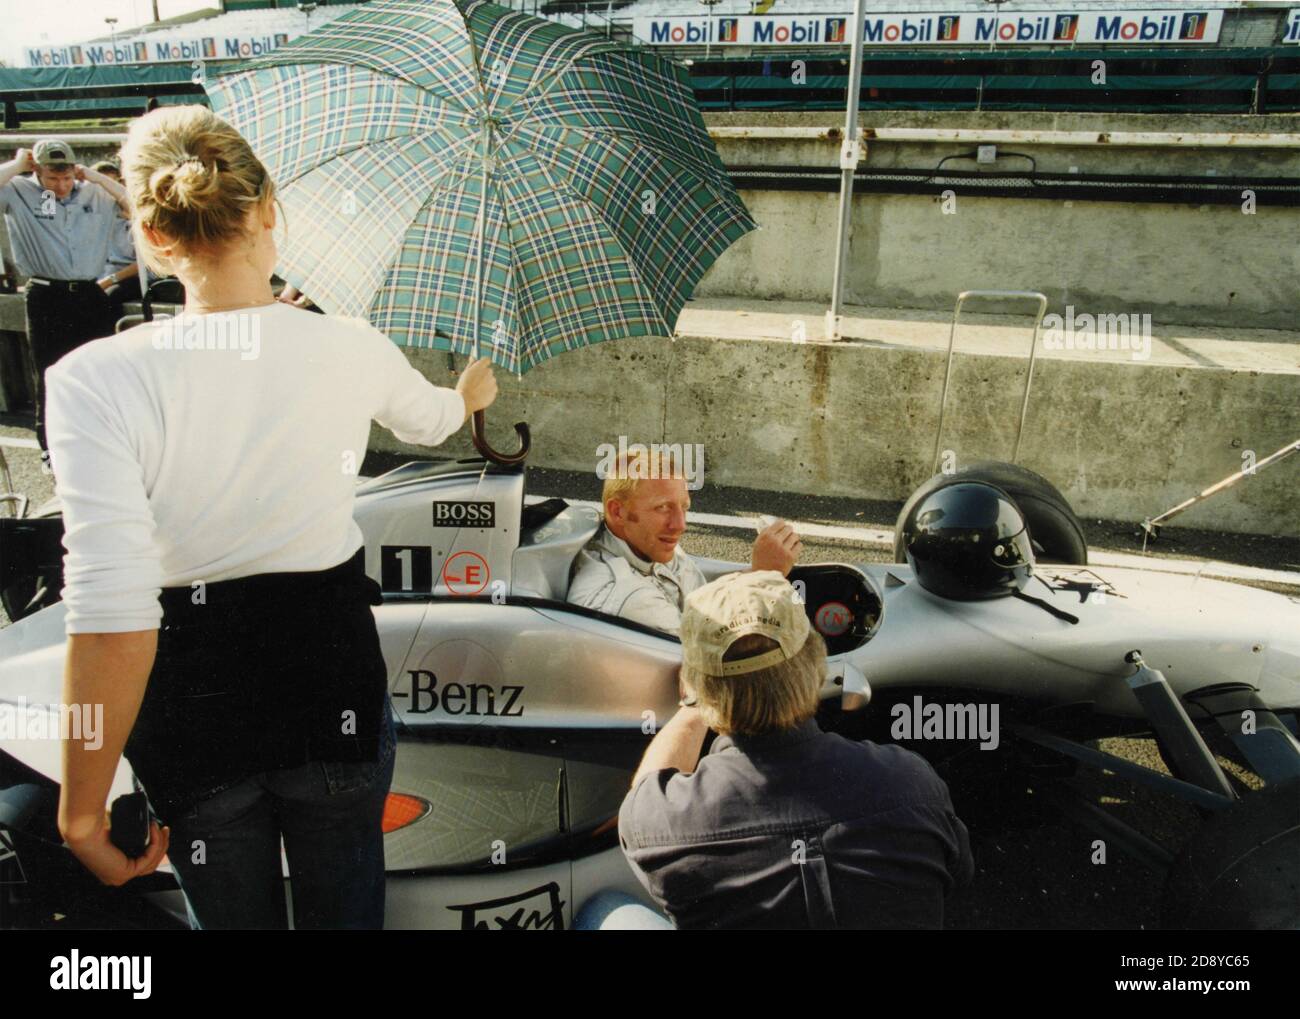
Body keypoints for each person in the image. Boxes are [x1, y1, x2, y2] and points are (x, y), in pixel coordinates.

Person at [46, 104, 499, 930]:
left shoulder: (91, 380)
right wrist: (468, 395)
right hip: (329, 678)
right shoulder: (350, 345)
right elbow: (430, 420)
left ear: (150, 231)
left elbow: (110, 613)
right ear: (267, 212)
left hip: (193, 705)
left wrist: (81, 809)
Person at [615, 571, 974, 930]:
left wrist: (694, 708)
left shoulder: (663, 820)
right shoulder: (913, 781)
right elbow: (956, 875)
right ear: (816, 663)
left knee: (611, 909)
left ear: (696, 684)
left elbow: (644, 794)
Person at [567, 446, 801, 634]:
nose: (680, 525)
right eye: (662, 508)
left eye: (684, 508)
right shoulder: (629, 598)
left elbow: (703, 596)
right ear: (618, 512)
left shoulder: (647, 545)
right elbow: (712, 658)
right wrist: (764, 578)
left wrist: (759, 571)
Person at [0, 139, 132, 455]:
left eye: (66, 178)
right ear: (38, 172)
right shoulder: (19, 189)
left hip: (90, 291)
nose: (60, 186)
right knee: (50, 372)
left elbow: (138, 206)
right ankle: (51, 448)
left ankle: (102, 441)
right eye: (52, 178)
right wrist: (18, 165)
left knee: (99, 370)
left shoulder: (94, 192)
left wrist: (97, 177)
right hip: (47, 294)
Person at [90, 160, 143, 324]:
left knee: (108, 296)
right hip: (104, 274)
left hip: (135, 275)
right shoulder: (92, 215)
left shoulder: (136, 215)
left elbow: (145, 263)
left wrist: (109, 280)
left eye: (110, 184)